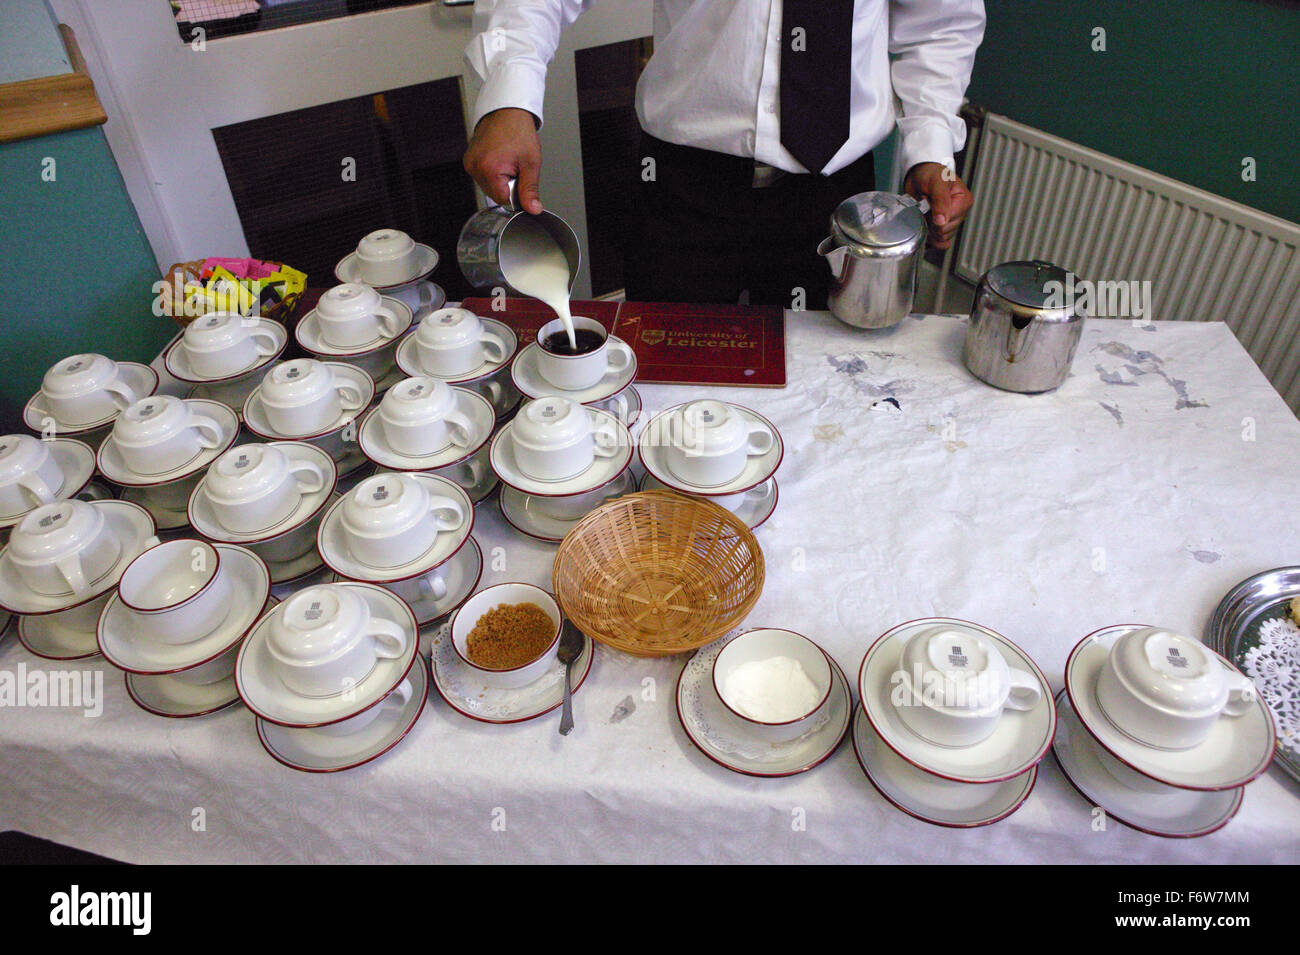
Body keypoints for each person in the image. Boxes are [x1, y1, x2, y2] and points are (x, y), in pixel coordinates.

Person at [463, 0, 984, 308]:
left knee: (831, 391)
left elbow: (941, 24)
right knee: (668, 384)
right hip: (682, 192)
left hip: (837, 204)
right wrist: (510, 96)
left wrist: (929, 146)